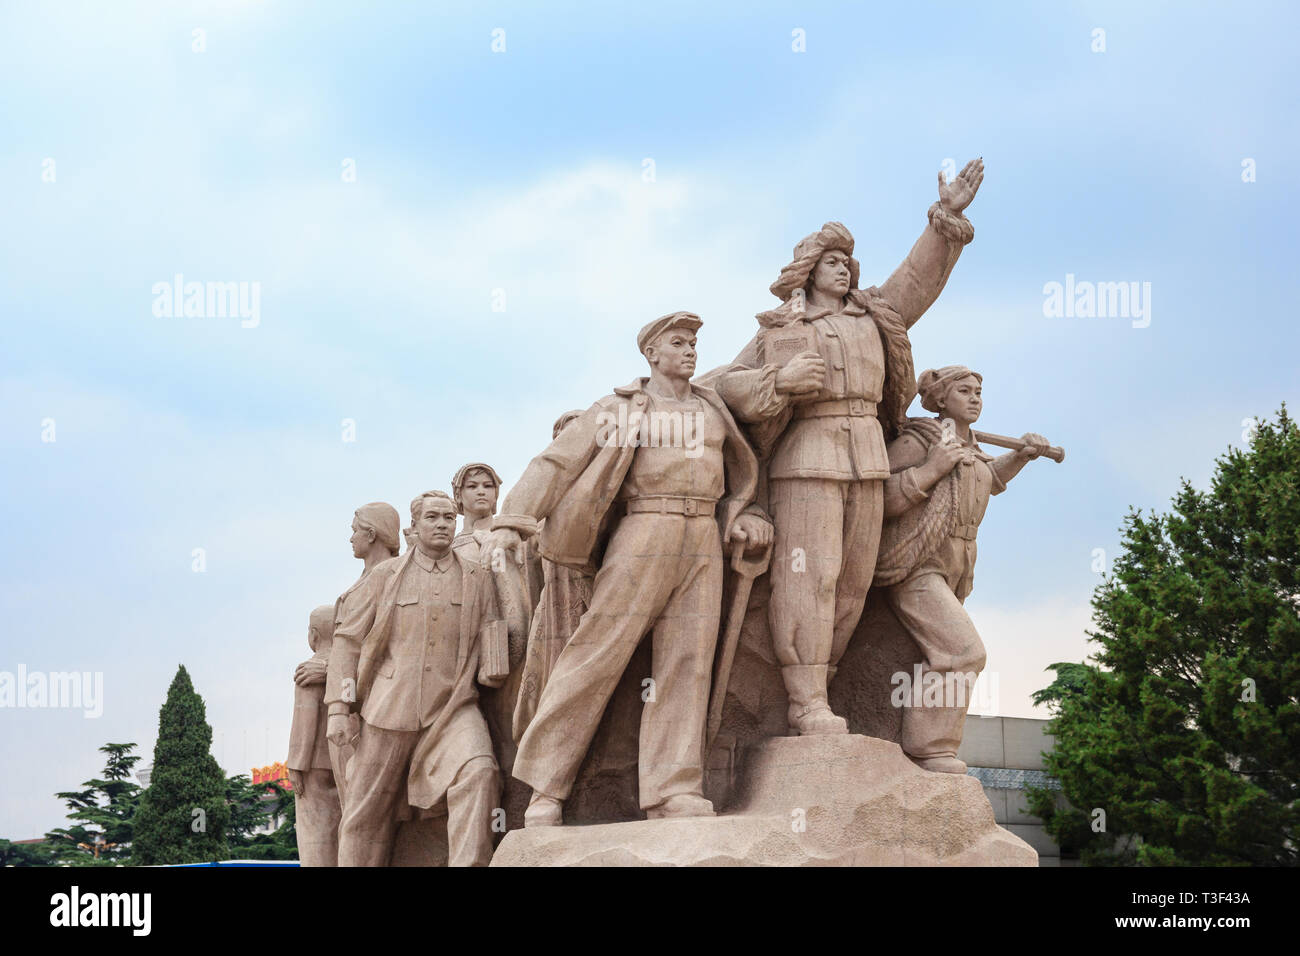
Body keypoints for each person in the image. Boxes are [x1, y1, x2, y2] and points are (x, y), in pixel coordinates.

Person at [701, 160, 984, 735]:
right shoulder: (782, 328)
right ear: (807, 271)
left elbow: (916, 280)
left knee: (852, 586)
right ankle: (804, 702)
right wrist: (779, 381)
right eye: (830, 260)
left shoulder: (873, 316)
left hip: (869, 463)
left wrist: (945, 217)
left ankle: (821, 690)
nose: (842, 268)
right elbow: (726, 384)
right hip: (807, 463)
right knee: (811, 579)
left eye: (846, 262)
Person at [481, 312, 772, 826]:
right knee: (596, 653)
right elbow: (556, 463)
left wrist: (745, 516)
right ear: (652, 354)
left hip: (703, 534)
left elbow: (738, 476)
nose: (690, 351)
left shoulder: (712, 408)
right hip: (645, 530)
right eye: (678, 342)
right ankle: (545, 787)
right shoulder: (619, 408)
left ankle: (673, 789)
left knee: (688, 664)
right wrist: (513, 520)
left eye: (694, 343)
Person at [875, 365, 1048, 771]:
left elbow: (986, 480)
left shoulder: (972, 447)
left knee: (941, 652)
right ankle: (929, 748)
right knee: (963, 651)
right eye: (964, 391)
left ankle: (925, 745)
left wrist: (1020, 457)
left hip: (960, 562)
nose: (975, 399)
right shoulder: (921, 440)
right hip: (918, 560)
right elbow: (878, 498)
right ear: (940, 398)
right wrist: (930, 469)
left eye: (978, 392)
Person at [325, 491, 507, 865]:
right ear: (415, 525)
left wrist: (495, 659)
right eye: (432, 517)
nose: (442, 524)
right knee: (366, 812)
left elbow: (492, 627)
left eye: (448, 518)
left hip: (453, 707)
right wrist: (339, 708)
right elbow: (348, 642)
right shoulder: (385, 576)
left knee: (480, 773)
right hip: (389, 710)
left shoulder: (476, 577)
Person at [286, 605, 344, 866]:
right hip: (344, 760)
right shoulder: (348, 669)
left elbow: (305, 719)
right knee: (342, 826)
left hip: (314, 765)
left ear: (314, 634)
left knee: (315, 832)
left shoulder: (309, 670)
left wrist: (296, 764)